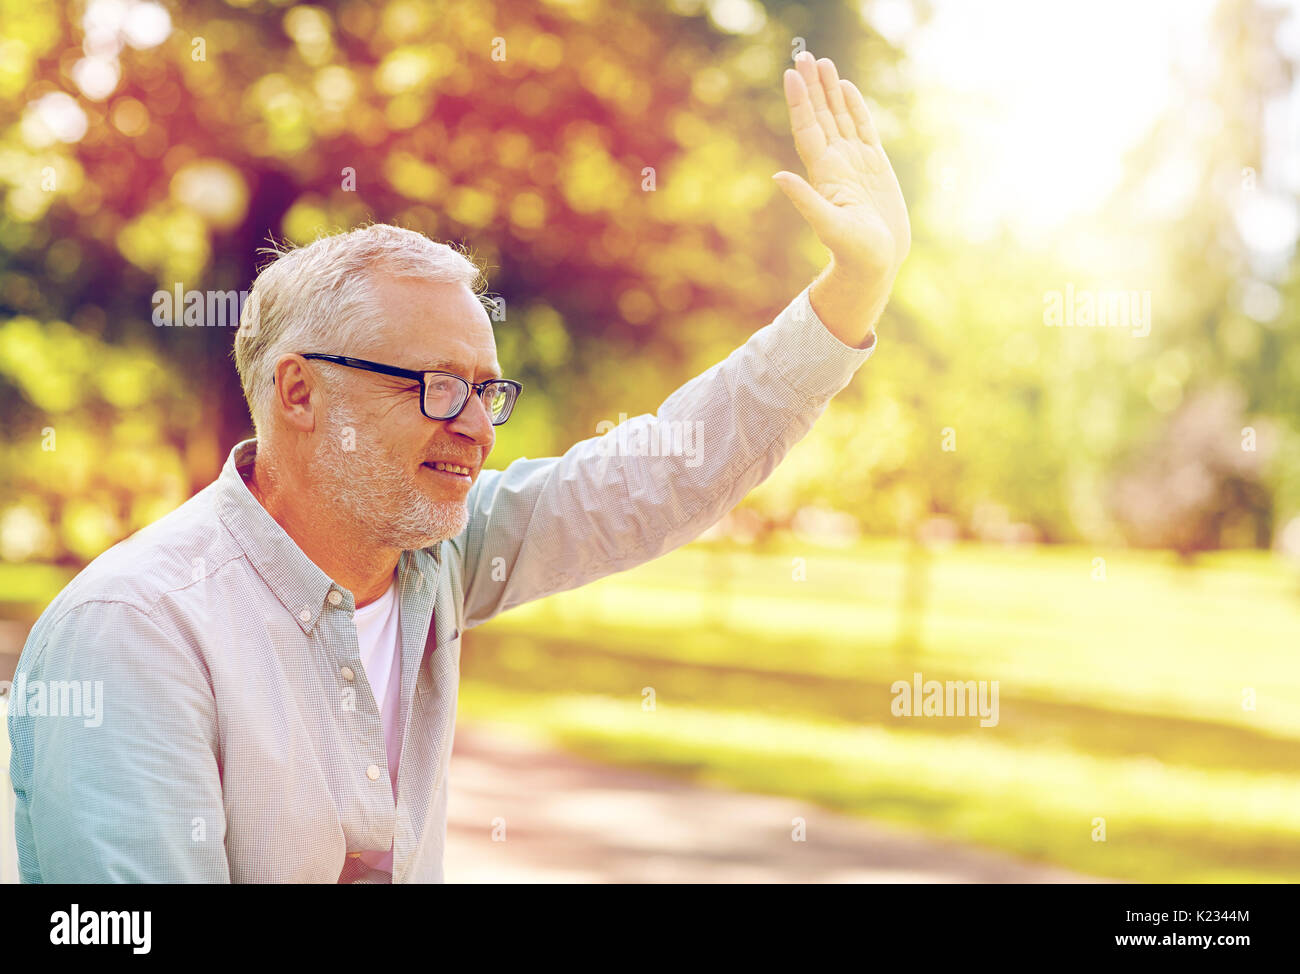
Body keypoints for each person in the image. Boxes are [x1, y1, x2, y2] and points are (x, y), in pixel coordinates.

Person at [7, 51, 909, 882]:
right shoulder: (137, 632)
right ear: (298, 394)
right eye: (439, 386)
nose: (478, 427)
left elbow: (656, 478)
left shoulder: (431, 557)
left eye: (487, 390)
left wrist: (852, 290)